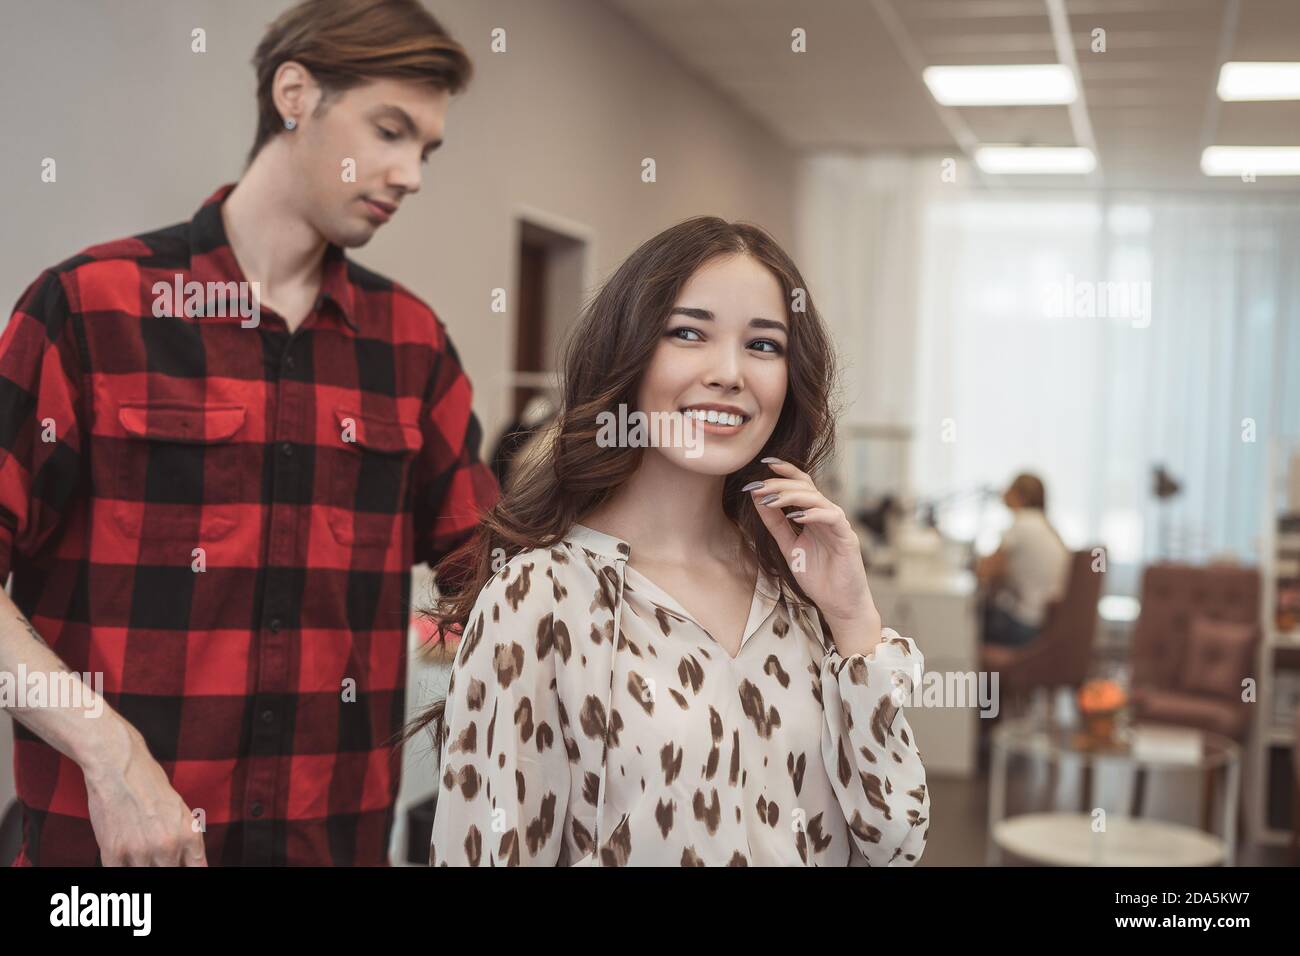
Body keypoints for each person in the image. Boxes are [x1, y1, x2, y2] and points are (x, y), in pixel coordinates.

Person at [0, 0, 497, 866]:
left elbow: (496, 582)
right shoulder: (89, 306)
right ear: (295, 93)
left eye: (427, 149)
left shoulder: (413, 346)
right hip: (106, 864)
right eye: (389, 130)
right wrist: (111, 756)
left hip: (332, 846)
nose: (411, 173)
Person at [412, 217, 930, 866]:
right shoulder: (540, 598)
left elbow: (896, 841)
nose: (729, 372)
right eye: (689, 333)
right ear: (628, 356)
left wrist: (854, 617)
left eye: (763, 346)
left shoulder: (800, 597)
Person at [976, 473, 1070, 648]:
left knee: (968, 623)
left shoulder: (1022, 524)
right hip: (1046, 623)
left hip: (1025, 625)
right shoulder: (1046, 526)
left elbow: (985, 570)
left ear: (1019, 495)